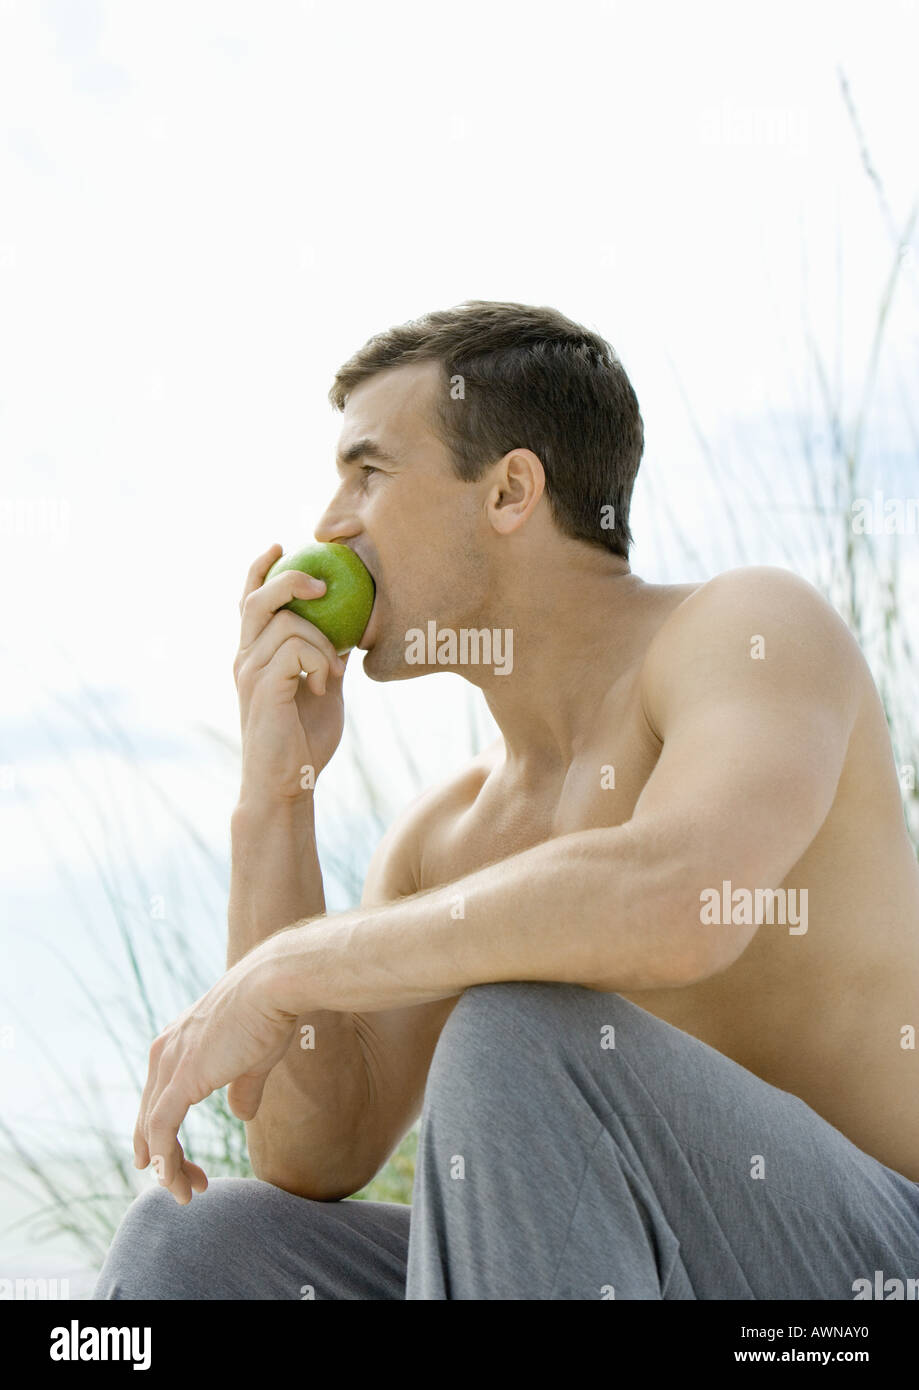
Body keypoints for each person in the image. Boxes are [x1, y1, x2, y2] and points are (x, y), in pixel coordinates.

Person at [94, 300, 919, 1300]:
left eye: (368, 471)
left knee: (521, 1033)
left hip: (861, 1269)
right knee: (201, 1242)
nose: (329, 522)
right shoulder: (448, 835)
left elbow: (686, 899)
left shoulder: (746, 629)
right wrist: (279, 791)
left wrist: (289, 967)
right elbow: (313, 1150)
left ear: (510, 491)